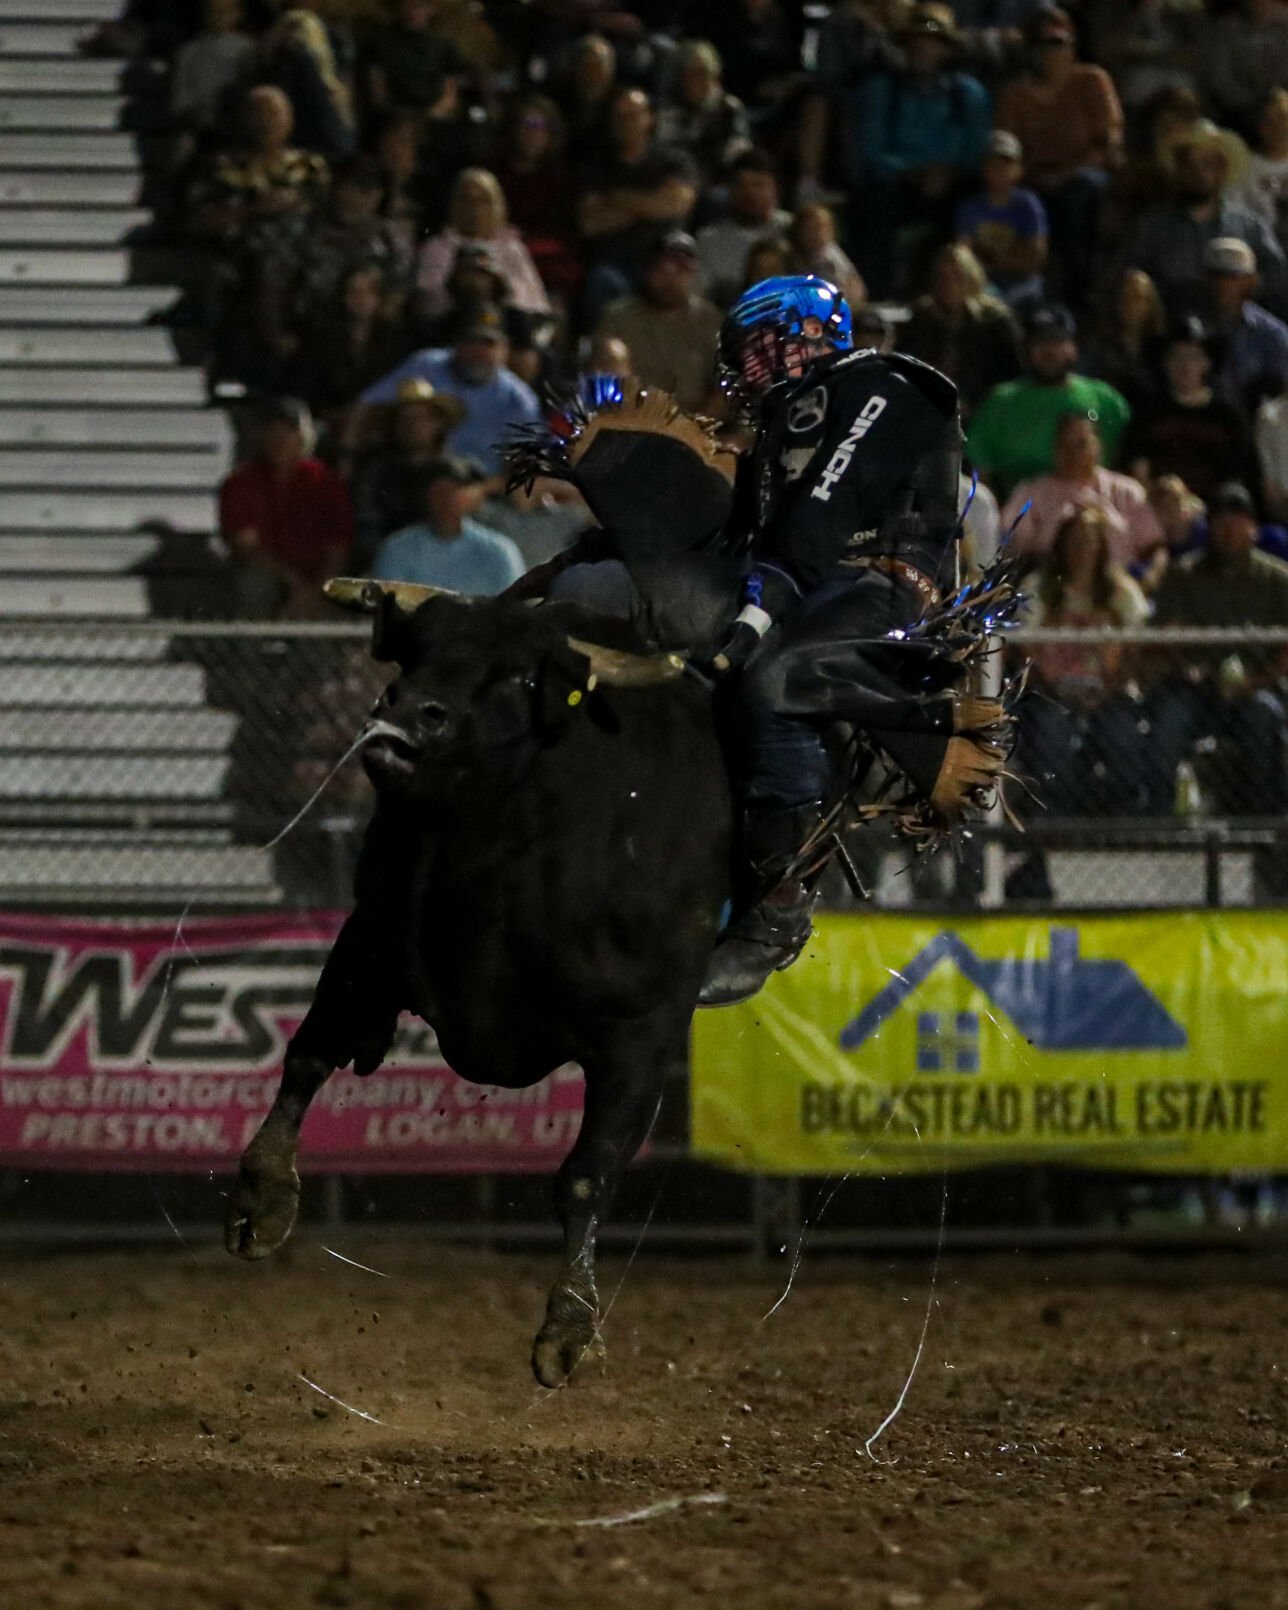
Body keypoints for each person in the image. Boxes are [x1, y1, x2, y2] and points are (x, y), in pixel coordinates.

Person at [696, 275, 1003, 1005]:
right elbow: (773, 550)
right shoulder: (775, 438)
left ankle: (781, 906)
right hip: (814, 591)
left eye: (758, 348)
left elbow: (820, 515)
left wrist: (758, 620)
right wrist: (743, 620)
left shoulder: (883, 382)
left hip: (893, 588)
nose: (745, 369)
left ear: (807, 335)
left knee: (777, 680)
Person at [1145, 488, 1288, 816]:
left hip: (1256, 686)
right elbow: (1161, 639)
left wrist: (1256, 681)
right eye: (1220, 525)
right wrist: (1186, 664)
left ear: (1253, 528)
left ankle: (1260, 817)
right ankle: (1158, 816)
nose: (1228, 534)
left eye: (1236, 525)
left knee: (1265, 716)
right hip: (1195, 687)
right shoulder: (1184, 574)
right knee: (1169, 720)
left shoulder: (1277, 579)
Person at [1015, 504, 1152, 821]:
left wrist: (1107, 690)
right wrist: (1052, 687)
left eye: (1089, 541)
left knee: (1122, 735)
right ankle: (1054, 816)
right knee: (1051, 734)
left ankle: (1120, 818)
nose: (1082, 549)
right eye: (1075, 541)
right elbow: (1023, 649)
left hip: (1108, 691)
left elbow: (1136, 651)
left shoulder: (1121, 591)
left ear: (1102, 547)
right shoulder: (1039, 587)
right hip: (1052, 690)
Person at [849, 3, 992, 297]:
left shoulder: (969, 94)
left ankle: (959, 294)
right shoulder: (882, 90)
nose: (923, 49)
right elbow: (871, 150)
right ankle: (879, 295)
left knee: (972, 201)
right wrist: (912, 173)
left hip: (953, 184)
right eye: (916, 42)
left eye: (932, 42)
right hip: (900, 183)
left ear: (946, 49)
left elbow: (977, 149)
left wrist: (947, 172)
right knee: (875, 199)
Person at [994, 5, 1122, 306]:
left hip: (1083, 173)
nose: (1051, 52)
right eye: (1043, 45)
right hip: (1032, 176)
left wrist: (1065, 175)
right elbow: (1006, 147)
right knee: (1022, 199)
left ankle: (1078, 293)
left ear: (1072, 47)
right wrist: (1033, 175)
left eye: (1058, 44)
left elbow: (1108, 142)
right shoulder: (1014, 94)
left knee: (1080, 194)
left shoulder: (1092, 81)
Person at [1119, 118, 1288, 319]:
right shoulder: (1152, 228)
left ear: (1222, 169)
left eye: (1207, 164)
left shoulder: (1251, 229)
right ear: (1178, 170)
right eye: (1190, 164)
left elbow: (1279, 286)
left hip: (1238, 338)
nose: (1198, 172)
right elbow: (1127, 280)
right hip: (1168, 336)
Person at [357, 310, 542, 483]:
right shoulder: (426, 365)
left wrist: (482, 491)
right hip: (413, 475)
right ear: (457, 343)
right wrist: (348, 459)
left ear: (505, 350)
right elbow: (367, 406)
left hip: (478, 490)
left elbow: (523, 468)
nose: (477, 352)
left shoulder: (518, 399)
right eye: (471, 341)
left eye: (488, 344)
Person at [965, 304, 1131, 495]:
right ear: (1027, 350)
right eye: (1039, 343)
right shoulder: (1001, 401)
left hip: (1095, 507)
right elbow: (979, 468)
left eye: (1057, 341)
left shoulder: (1106, 399)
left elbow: (1129, 457)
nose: (1049, 351)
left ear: (1073, 347)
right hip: (1021, 511)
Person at [218, 396, 352, 618]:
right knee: (254, 583)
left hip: (317, 577)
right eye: (272, 431)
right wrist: (296, 585)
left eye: (288, 431)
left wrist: (315, 592)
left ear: (304, 437)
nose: (279, 440)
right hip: (271, 576)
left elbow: (338, 547)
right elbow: (247, 548)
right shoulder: (240, 483)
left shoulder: (325, 482)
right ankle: (249, 652)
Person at [576, 86, 699, 319]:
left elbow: (675, 204)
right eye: (620, 116)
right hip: (616, 263)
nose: (626, 122)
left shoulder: (674, 161)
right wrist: (652, 203)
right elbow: (590, 223)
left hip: (667, 260)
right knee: (600, 281)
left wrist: (616, 200)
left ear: (649, 118)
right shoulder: (598, 166)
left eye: (633, 115)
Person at [1000, 411, 1162, 571]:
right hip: (1049, 588)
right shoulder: (1029, 493)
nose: (1073, 453)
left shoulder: (1127, 491)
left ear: (1098, 446)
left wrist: (1146, 582)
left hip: (1119, 585)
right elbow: (1012, 550)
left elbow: (1155, 549)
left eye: (1081, 444)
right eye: (1065, 445)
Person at [1123, 320, 1258, 503]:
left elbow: (1238, 473)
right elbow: (1139, 471)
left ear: (1207, 363)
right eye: (1177, 356)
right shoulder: (1149, 411)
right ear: (1165, 363)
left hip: (1215, 511)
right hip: (1161, 507)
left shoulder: (1227, 414)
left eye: (1193, 357)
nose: (1185, 365)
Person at [594, 231, 724, 414]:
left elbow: (725, 388)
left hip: (695, 427)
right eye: (661, 269)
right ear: (646, 271)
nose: (669, 279)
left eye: (680, 270)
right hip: (630, 422)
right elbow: (600, 377)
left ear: (694, 275)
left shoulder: (710, 320)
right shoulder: (618, 317)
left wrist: (696, 429)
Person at [348, 376, 464, 567]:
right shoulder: (375, 470)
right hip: (389, 564)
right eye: (405, 418)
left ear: (438, 424)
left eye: (421, 417)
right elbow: (366, 524)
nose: (412, 425)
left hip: (448, 564)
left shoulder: (455, 471)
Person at [414, 167, 550, 324]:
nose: (474, 208)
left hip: (507, 328)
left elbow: (536, 302)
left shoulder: (513, 249)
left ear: (496, 205)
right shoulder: (436, 249)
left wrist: (496, 289)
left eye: (483, 201)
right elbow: (427, 303)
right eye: (466, 200)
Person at [899, 241, 1021, 415]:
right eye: (942, 278)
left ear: (972, 278)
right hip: (929, 408)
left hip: (984, 409)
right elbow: (905, 364)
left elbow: (1013, 375)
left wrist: (975, 403)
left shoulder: (995, 321)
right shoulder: (922, 319)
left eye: (957, 277)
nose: (949, 285)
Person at [372, 456, 524, 595]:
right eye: (438, 493)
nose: (446, 500)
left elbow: (513, 609)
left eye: (454, 492)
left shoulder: (498, 551)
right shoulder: (397, 549)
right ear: (424, 497)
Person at [953, 128, 1048, 308]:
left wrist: (993, 259)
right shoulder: (969, 208)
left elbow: (1036, 256)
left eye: (1006, 165)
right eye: (993, 165)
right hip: (983, 280)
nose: (999, 171)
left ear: (1019, 169)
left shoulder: (1029, 205)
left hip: (1021, 281)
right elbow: (964, 256)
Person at [695, 148, 791, 308]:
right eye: (741, 185)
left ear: (775, 189)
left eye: (758, 185)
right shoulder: (708, 240)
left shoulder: (795, 229)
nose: (750, 193)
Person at [1202, 237, 1288, 412]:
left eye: (1232, 277)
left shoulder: (1271, 333)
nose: (1222, 284)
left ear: (1250, 281)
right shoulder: (1193, 325)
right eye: (1216, 276)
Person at [655, 39, 752, 189]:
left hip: (719, 182)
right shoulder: (669, 108)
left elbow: (738, 153)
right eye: (692, 74)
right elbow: (665, 149)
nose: (701, 80)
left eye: (705, 72)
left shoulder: (728, 108)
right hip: (678, 181)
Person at [1083, 267, 1167, 399]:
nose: (1130, 304)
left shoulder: (1162, 350)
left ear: (1150, 305)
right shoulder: (1097, 347)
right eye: (1124, 296)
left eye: (1137, 297)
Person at [785, 203, 865, 310]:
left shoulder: (832, 251)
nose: (819, 233)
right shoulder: (788, 257)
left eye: (825, 227)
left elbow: (855, 285)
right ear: (799, 230)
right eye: (812, 227)